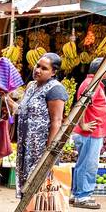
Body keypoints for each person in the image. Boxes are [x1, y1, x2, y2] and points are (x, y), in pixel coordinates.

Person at [10, 52, 67, 197]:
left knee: (40, 189)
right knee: (27, 187)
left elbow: (57, 121)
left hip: (40, 149)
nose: (38, 70)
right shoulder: (31, 86)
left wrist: (49, 150)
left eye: (44, 68)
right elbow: (22, 109)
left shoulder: (56, 89)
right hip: (26, 147)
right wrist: (6, 98)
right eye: (37, 66)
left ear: (53, 72)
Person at [70, 59, 106, 210]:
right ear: (102, 70)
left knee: (84, 163)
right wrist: (82, 124)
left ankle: (78, 194)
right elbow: (80, 105)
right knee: (88, 164)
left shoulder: (93, 84)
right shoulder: (90, 84)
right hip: (90, 133)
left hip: (93, 132)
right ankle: (83, 196)